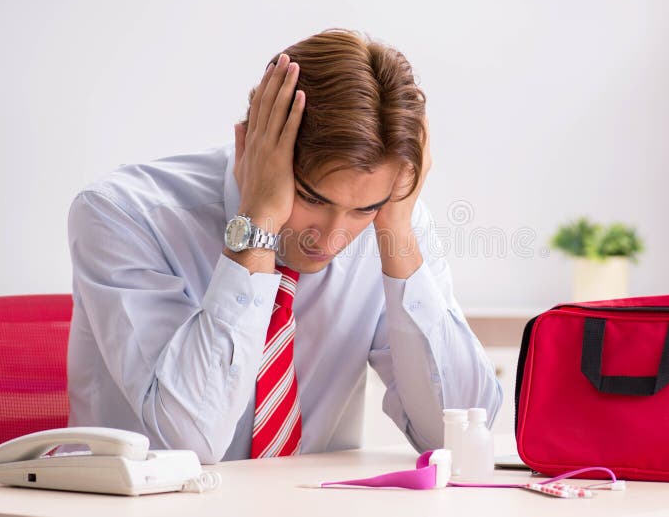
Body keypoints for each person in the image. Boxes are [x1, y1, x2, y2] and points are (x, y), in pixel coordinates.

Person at [67, 29, 502, 463]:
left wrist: (399, 235)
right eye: (311, 198)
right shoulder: (124, 215)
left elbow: (458, 437)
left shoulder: (390, 221)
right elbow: (188, 441)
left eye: (362, 209)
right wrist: (257, 225)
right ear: (251, 147)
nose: (332, 237)